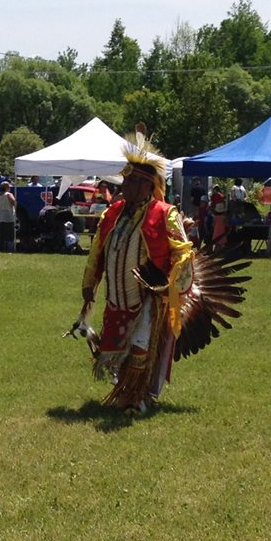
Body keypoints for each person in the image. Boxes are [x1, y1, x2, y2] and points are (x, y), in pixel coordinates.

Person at [80, 132, 194, 413]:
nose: (125, 186)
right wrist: (89, 282)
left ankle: (137, 397)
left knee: (142, 345)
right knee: (119, 347)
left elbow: (183, 251)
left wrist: (170, 282)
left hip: (150, 296)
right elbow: (98, 250)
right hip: (117, 296)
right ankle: (126, 391)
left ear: (147, 186)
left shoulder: (164, 213)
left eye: (131, 181)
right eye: (125, 180)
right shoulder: (113, 213)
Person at [0, 180, 16, 253]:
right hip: (8, 217)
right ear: (6, 187)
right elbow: (14, 202)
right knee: (9, 233)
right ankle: (9, 248)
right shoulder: (8, 194)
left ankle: (0, 247)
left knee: (1, 233)